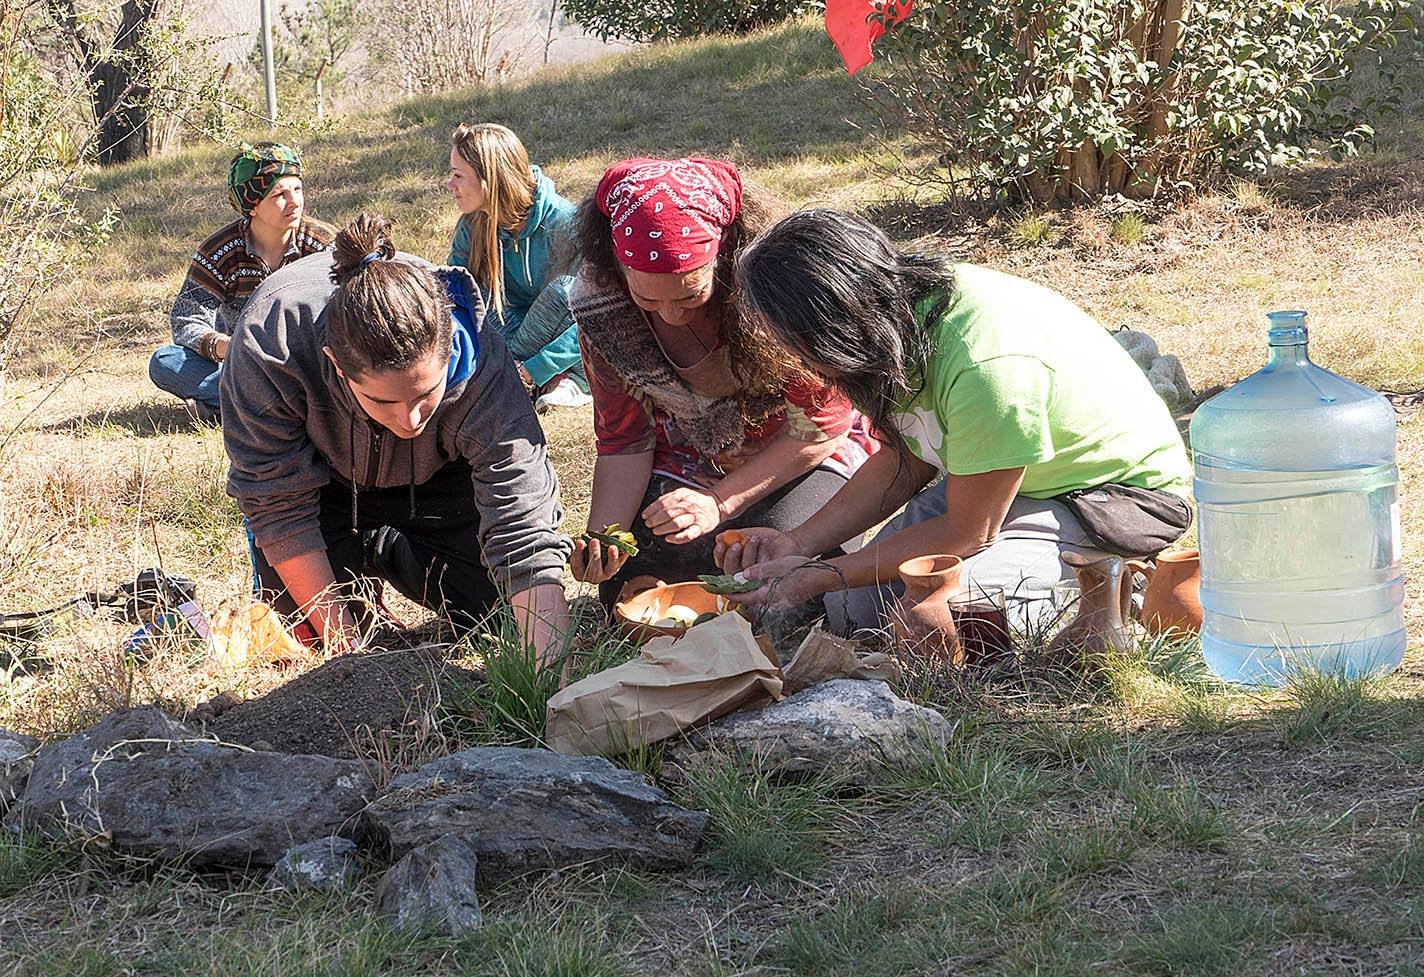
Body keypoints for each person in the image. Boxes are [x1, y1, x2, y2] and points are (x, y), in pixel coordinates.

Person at [718, 209, 1193, 632]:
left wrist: (819, 575)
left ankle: (1118, 584)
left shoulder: (983, 361)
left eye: (798, 348)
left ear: (833, 328)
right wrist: (797, 544)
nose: (798, 363)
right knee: (856, 610)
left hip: (1114, 499)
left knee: (961, 616)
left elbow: (968, 532)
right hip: (1012, 484)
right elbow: (905, 458)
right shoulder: (894, 319)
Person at [221, 212, 571, 659]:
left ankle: (388, 549)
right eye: (383, 401)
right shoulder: (270, 343)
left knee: (502, 613)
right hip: (323, 488)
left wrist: (549, 665)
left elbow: (520, 508)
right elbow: (276, 502)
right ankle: (354, 560)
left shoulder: (482, 354)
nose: (410, 421)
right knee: (301, 632)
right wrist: (347, 653)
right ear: (336, 364)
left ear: (450, 346)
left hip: (440, 482)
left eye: (426, 394)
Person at [565, 159, 878, 608]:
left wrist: (719, 502)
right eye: (647, 298)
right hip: (693, 459)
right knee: (629, 585)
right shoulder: (604, 311)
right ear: (618, 268)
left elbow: (820, 427)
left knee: (785, 570)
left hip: (798, 455)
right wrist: (602, 541)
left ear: (726, 253)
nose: (672, 315)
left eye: (691, 294)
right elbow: (625, 440)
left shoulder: (774, 292)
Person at [150, 142, 334, 424]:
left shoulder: (323, 245)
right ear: (253, 206)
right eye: (279, 195)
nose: (295, 202)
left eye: (297, 189)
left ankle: (238, 406)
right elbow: (186, 319)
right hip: (244, 366)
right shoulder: (219, 251)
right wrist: (227, 346)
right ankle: (274, 405)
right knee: (165, 362)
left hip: (312, 365)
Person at [447, 123, 590, 412]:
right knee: (465, 290)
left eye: (458, 175)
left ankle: (560, 379)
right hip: (515, 333)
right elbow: (453, 298)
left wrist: (533, 369)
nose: (450, 185)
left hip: (562, 336)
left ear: (490, 179)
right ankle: (516, 378)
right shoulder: (473, 225)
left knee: (563, 293)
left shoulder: (565, 222)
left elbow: (600, 319)